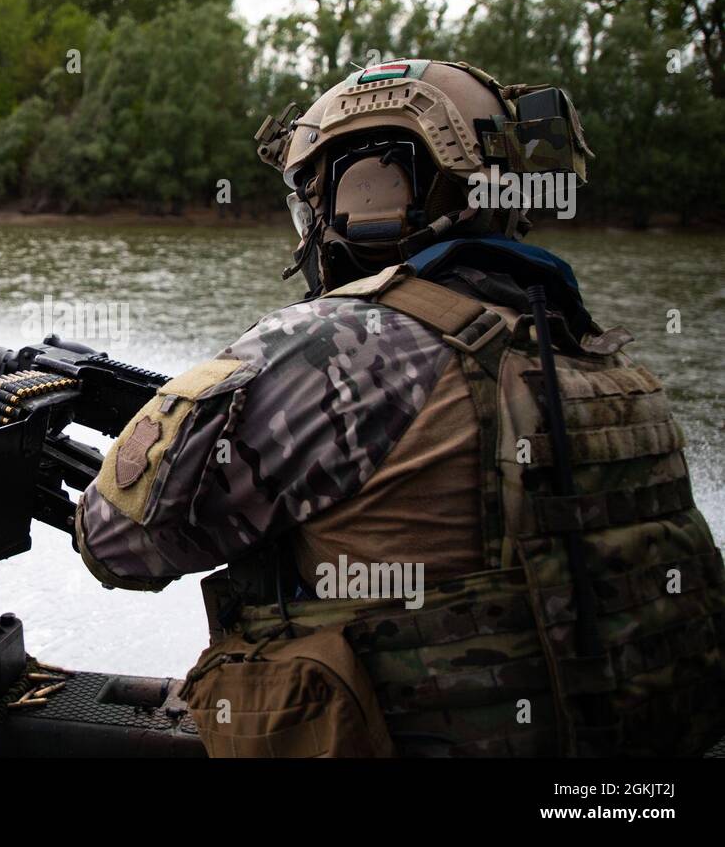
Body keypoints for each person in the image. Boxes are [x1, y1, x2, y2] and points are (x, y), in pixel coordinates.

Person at [73, 59, 725, 757]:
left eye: (316, 200)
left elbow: (117, 543)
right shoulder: (609, 362)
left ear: (365, 197)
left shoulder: (338, 344)